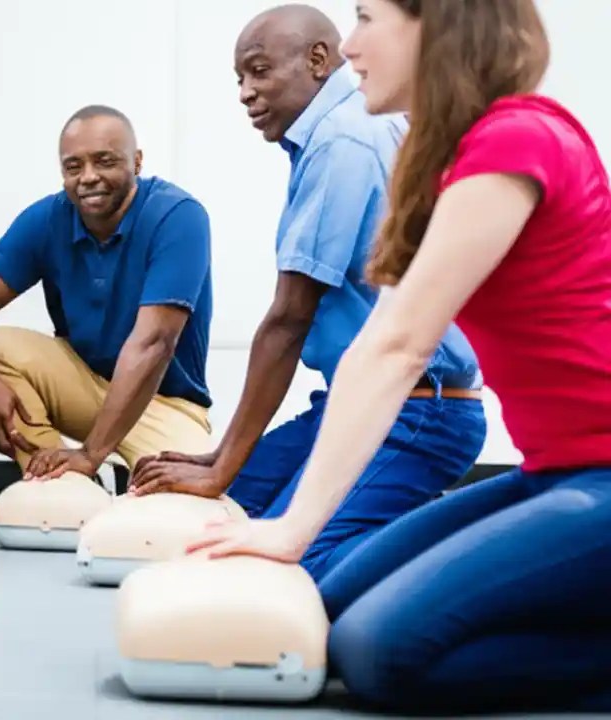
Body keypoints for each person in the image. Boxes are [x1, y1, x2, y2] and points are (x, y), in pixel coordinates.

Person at [187, 0, 611, 713]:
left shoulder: (517, 140)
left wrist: (293, 528)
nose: (349, 46)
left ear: (439, 25)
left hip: (598, 482)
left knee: (379, 653)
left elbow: (398, 348)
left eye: (367, 19)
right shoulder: (454, 156)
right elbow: (382, 342)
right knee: (331, 604)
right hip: (556, 475)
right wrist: (292, 532)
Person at [129, 4, 486, 582]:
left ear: (318, 60)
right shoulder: (345, 133)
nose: (245, 92)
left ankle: (453, 551)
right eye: (239, 79)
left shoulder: (343, 141)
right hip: (360, 403)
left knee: (292, 561)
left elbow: (290, 319)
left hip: (418, 411)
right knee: (233, 516)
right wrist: (223, 460)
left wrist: (221, 467)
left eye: (259, 71)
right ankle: (385, 515)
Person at [0, 105, 214, 483]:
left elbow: (154, 344)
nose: (88, 177)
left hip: (161, 404)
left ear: (137, 162)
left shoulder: (177, 216)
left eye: (104, 161)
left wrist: (90, 453)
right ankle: (60, 479)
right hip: (86, 385)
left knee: (181, 515)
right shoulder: (48, 218)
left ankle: (100, 468)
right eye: (74, 167)